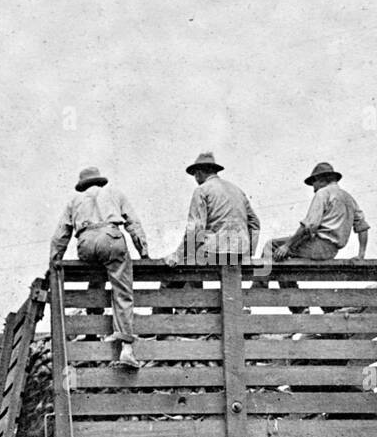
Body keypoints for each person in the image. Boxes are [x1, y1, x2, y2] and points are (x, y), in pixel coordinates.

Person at [49, 166, 152, 368]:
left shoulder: (74, 201)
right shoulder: (114, 193)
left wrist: (54, 260)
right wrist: (143, 252)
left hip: (86, 243)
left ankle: (91, 332)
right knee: (122, 291)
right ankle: (127, 349)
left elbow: (61, 234)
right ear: (100, 181)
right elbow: (134, 223)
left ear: (83, 185)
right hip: (111, 238)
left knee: (95, 278)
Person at [166, 151, 261, 270]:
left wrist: (178, 254)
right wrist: (249, 251)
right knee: (191, 254)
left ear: (198, 173)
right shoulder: (237, 190)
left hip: (214, 251)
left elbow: (195, 227)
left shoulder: (202, 190)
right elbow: (255, 223)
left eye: (195, 174)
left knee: (181, 265)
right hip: (239, 252)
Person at [269, 162, 369, 262]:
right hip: (332, 251)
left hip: (317, 247)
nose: (314, 189)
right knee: (286, 257)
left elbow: (310, 225)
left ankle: (259, 276)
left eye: (314, 184)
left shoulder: (323, 193)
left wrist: (287, 245)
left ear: (321, 180)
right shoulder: (349, 198)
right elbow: (362, 226)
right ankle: (285, 277)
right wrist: (361, 254)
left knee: (272, 245)